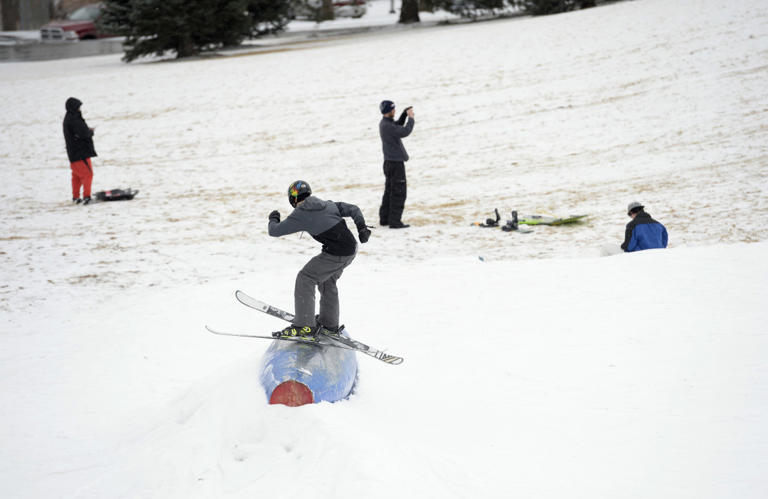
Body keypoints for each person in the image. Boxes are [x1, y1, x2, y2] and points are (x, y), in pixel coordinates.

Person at [268, 180, 371, 339]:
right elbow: (353, 209)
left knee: (306, 278)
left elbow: (274, 231)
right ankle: (329, 324)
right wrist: (362, 228)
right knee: (326, 280)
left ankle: (304, 326)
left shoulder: (300, 214)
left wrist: (273, 218)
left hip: (336, 253)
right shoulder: (328, 205)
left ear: (293, 199)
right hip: (350, 249)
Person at [378, 100, 415, 229]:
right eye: (393, 109)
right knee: (398, 192)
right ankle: (395, 221)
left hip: (389, 163)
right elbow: (404, 131)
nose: (395, 111)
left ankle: (385, 219)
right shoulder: (388, 126)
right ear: (389, 111)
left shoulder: (385, 123)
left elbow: (397, 126)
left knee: (389, 191)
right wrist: (411, 118)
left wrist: (404, 115)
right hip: (395, 164)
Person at [63, 97, 97, 205]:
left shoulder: (68, 118)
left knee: (76, 176)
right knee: (88, 174)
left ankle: (76, 197)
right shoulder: (74, 119)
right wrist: (90, 132)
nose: (79, 109)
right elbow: (83, 133)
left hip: (73, 153)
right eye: (78, 107)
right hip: (80, 152)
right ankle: (87, 197)